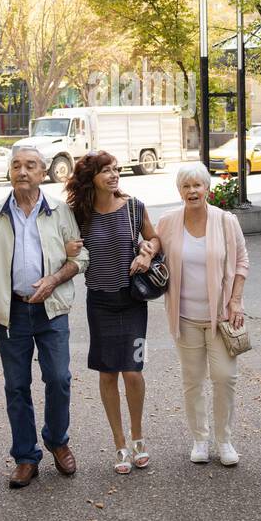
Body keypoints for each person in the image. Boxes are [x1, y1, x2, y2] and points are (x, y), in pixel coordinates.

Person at [0, 147, 88, 488]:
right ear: (9, 172)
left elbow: (82, 258)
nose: (22, 171)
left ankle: (57, 439)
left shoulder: (59, 212)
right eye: (16, 165)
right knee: (17, 387)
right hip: (12, 313)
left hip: (51, 310)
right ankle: (25, 456)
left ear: (43, 172)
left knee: (59, 379)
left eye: (30, 166)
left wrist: (52, 281)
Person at [64, 151, 160, 474]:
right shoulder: (79, 214)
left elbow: (155, 238)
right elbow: (63, 247)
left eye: (116, 169)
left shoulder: (133, 207)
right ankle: (119, 444)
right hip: (100, 303)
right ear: (91, 177)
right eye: (106, 170)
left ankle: (138, 439)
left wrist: (147, 254)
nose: (114, 174)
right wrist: (67, 251)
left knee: (133, 370)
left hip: (132, 300)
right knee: (108, 373)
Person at [155, 161, 248, 467]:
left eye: (198, 185)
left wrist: (235, 301)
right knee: (192, 380)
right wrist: (144, 253)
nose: (192, 191)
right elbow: (153, 248)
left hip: (220, 318)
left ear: (207, 188)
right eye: (186, 186)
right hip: (184, 317)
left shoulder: (225, 221)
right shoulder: (168, 222)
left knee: (224, 378)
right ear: (179, 190)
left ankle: (224, 440)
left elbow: (242, 261)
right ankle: (200, 439)